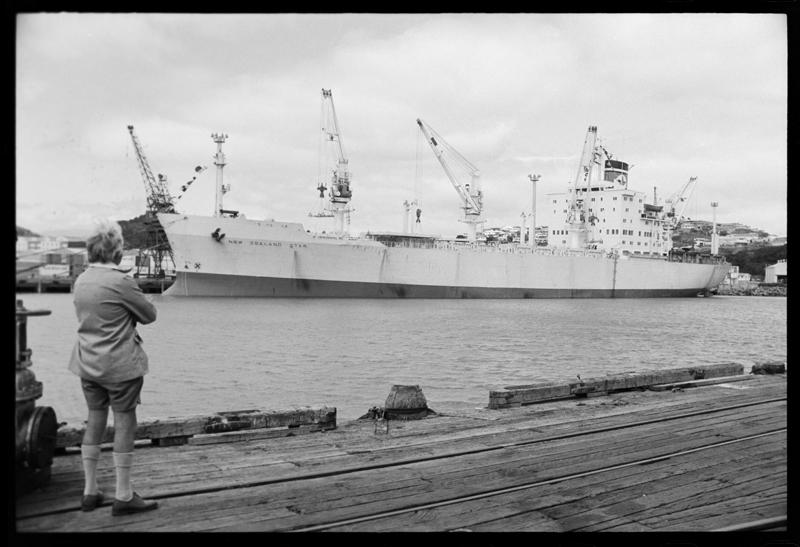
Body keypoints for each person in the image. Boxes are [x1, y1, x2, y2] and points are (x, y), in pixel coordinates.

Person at [68, 219, 159, 516]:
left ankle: (90, 491)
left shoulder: (81, 280)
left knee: (94, 420)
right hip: (120, 366)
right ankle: (123, 495)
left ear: (91, 250)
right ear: (118, 251)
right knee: (124, 422)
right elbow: (149, 315)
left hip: (87, 363)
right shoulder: (121, 281)